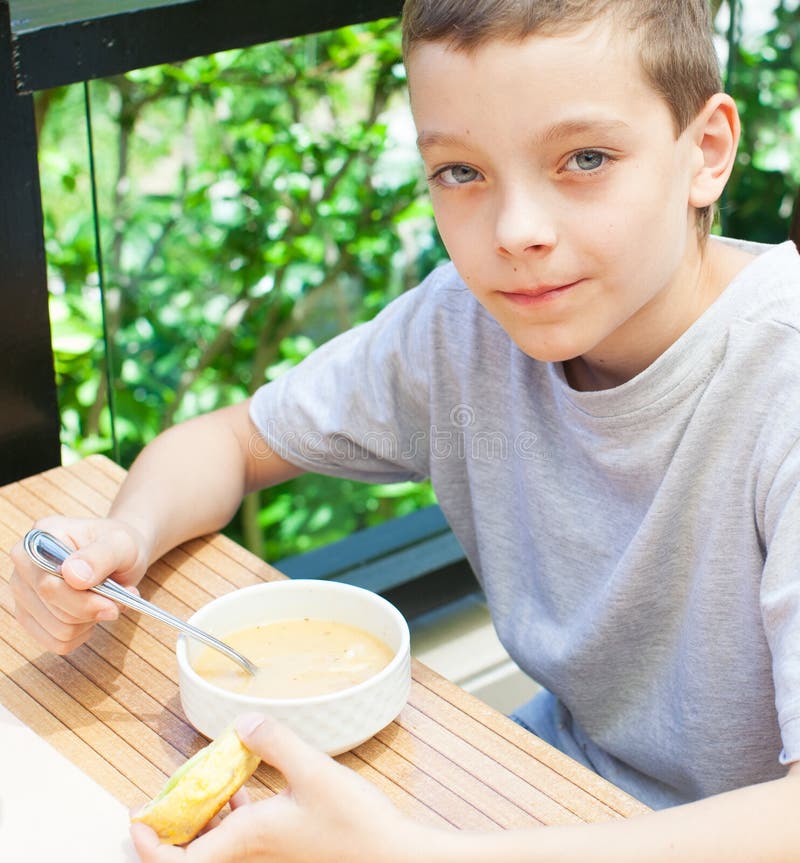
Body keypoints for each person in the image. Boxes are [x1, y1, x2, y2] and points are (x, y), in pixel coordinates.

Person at [10, 0, 800, 859]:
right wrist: (125, 533)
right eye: (462, 173)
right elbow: (230, 442)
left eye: (584, 159)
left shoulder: (781, 379)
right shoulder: (460, 329)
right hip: (548, 786)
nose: (516, 232)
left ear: (707, 152)